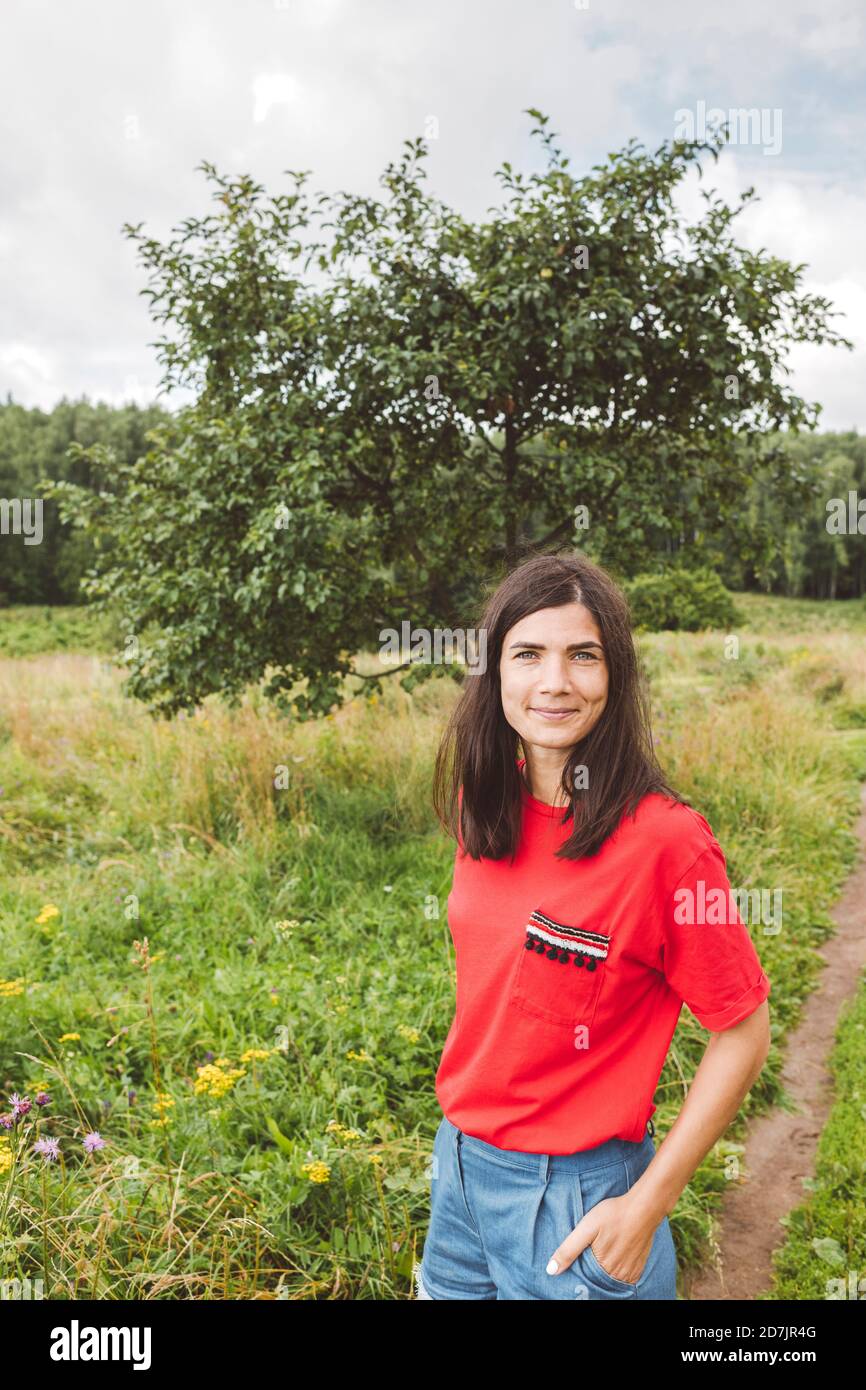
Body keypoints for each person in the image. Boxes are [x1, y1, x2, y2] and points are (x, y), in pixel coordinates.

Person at [415, 551, 771, 1300]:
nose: (554, 682)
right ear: (495, 673)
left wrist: (647, 1206)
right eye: (528, 654)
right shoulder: (486, 805)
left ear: (615, 677)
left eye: (583, 656)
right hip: (460, 1181)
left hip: (576, 1206)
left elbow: (742, 1028)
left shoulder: (667, 844)